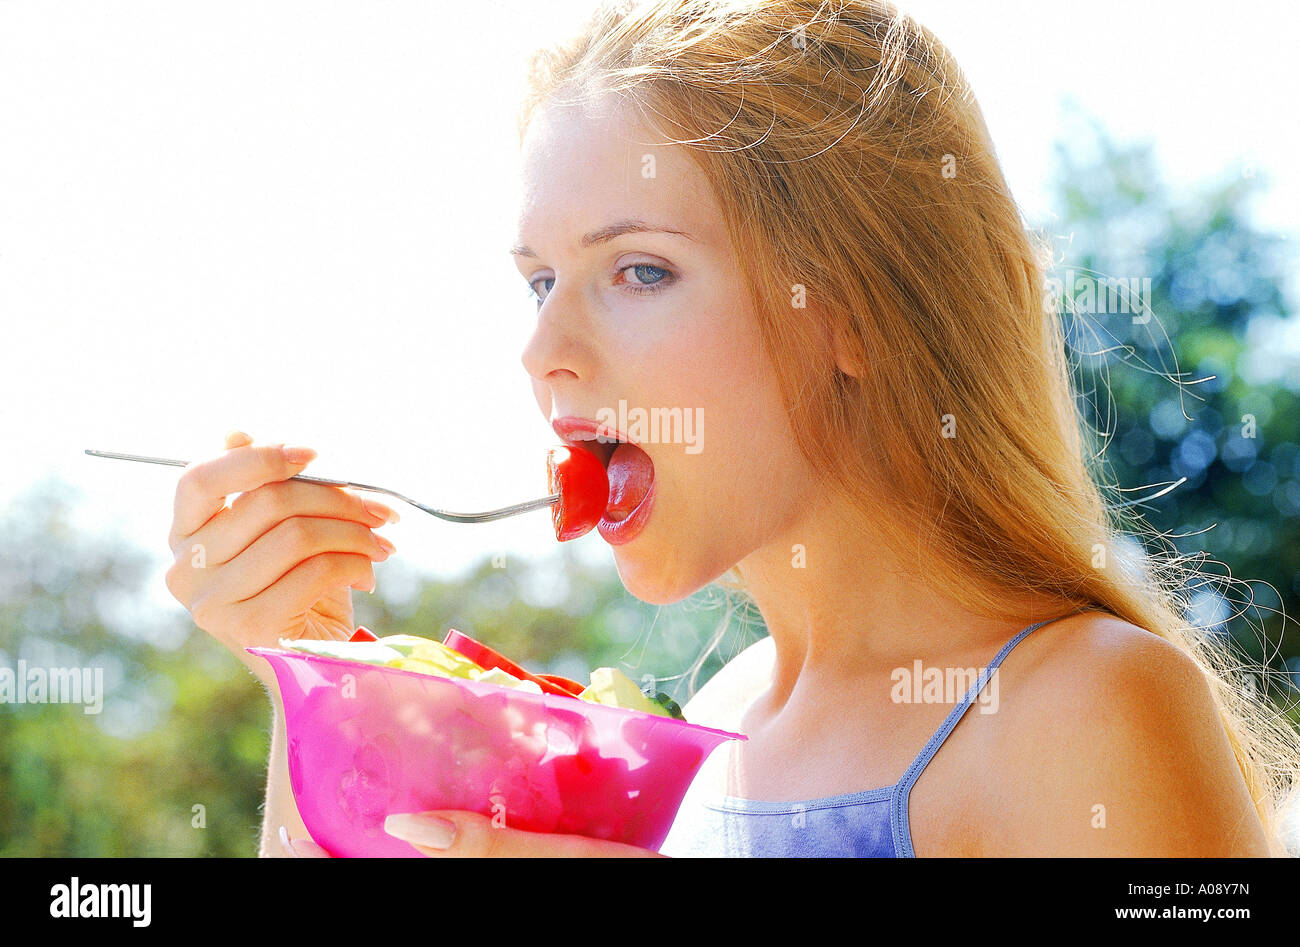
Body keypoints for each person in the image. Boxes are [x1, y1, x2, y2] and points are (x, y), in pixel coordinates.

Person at [165, 0, 1297, 857]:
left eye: (639, 269)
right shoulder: (695, 730)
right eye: (539, 279)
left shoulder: (1088, 705)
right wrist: (313, 674)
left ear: (850, 312)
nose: (541, 348)